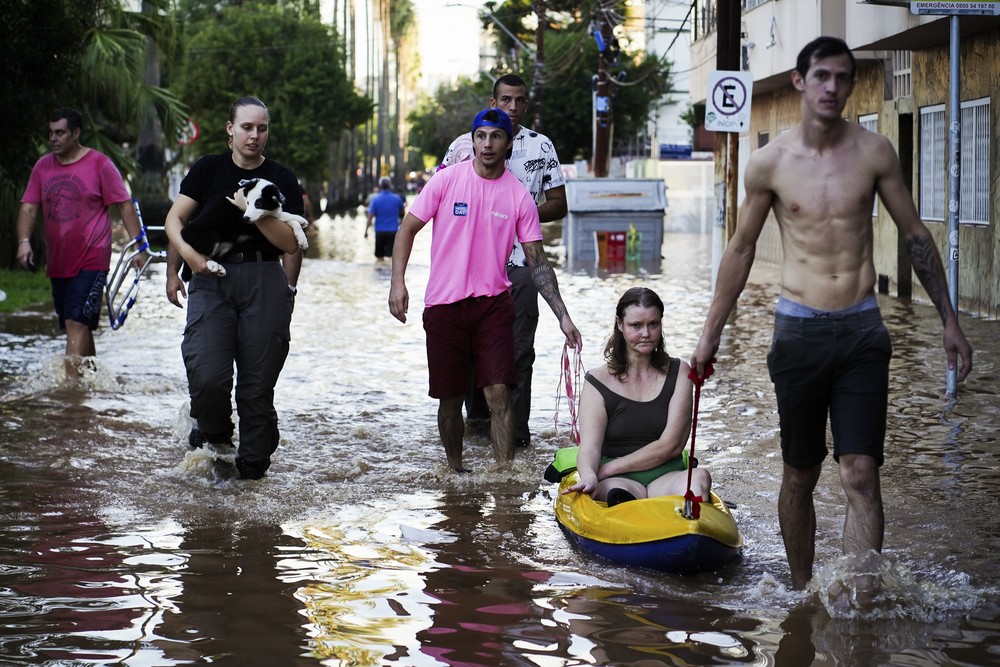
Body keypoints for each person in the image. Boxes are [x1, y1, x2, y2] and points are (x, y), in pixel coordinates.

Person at [689, 36, 974, 590]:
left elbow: (915, 235)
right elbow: (741, 251)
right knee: (799, 474)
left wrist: (949, 321)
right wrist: (709, 337)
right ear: (799, 80)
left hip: (863, 329)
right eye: (821, 76)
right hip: (798, 331)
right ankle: (801, 594)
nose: (832, 87)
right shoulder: (769, 163)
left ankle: (860, 599)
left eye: (843, 78)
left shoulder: (874, 152)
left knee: (861, 474)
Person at [389, 108, 582, 472]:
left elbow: (538, 263)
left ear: (509, 144)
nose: (487, 143)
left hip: (493, 305)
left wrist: (564, 317)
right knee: (450, 399)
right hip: (444, 306)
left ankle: (504, 475)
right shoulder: (446, 181)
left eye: (496, 136)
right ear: (472, 140)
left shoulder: (519, 196)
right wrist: (397, 283)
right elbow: (407, 229)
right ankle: (456, 471)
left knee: (499, 394)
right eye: (481, 136)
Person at [164, 96, 304, 481]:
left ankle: (254, 467)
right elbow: (176, 221)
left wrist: (251, 208)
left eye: (261, 128)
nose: (254, 135)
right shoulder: (208, 169)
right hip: (209, 277)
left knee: (257, 387)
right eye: (246, 127)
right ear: (230, 129)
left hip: (264, 280)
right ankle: (216, 434)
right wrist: (178, 268)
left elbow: (290, 244)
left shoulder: (282, 177)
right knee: (208, 376)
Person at [440, 73, 568, 449]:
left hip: (521, 265)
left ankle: (515, 436)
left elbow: (559, 202)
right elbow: (438, 199)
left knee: (517, 351)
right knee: (466, 353)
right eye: (506, 100)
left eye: (520, 101)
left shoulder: (540, 147)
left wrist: (519, 214)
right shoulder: (463, 147)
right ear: (492, 103)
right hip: (467, 271)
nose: (513, 107)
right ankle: (478, 423)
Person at [16, 107, 147, 375]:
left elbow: (123, 206)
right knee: (75, 324)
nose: (54, 138)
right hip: (59, 261)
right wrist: (23, 241)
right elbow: (29, 207)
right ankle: (92, 386)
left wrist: (139, 246)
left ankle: (70, 396)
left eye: (60, 133)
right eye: (51, 133)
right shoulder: (43, 166)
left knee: (76, 323)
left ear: (76, 133)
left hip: (92, 258)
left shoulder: (100, 164)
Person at [564, 287, 710, 506]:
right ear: (620, 324)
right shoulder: (597, 380)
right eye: (636, 325)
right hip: (617, 482)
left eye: (653, 324)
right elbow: (590, 447)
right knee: (616, 494)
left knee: (699, 478)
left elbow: (671, 445)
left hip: (666, 476)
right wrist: (590, 475)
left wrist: (606, 470)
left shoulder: (680, 372)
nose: (646, 333)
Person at [364, 176, 405, 263]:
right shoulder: (397, 199)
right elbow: (402, 213)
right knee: (391, 257)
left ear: (380, 186)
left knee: (379, 257)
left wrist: (366, 231)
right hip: (393, 231)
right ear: (390, 186)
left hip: (380, 232)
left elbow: (370, 216)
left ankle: (380, 275)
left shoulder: (375, 200)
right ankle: (388, 274)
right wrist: (401, 224)